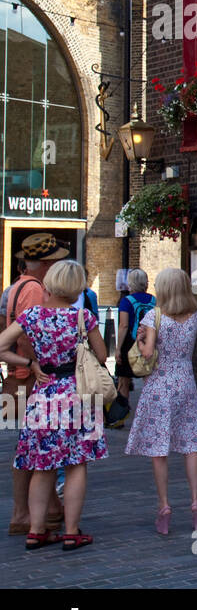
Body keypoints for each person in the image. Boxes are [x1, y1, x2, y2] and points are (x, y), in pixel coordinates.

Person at [0, 259, 109, 550]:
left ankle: (36, 531)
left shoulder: (33, 316)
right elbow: (101, 354)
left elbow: (1, 346)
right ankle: (72, 531)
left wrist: (30, 362)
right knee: (76, 464)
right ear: (77, 287)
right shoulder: (83, 317)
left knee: (41, 464)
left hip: (44, 393)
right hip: (77, 395)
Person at [124, 267, 197, 535]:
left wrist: (141, 339)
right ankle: (195, 502)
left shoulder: (153, 316)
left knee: (159, 449)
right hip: (186, 382)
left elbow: (147, 354)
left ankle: (164, 506)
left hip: (160, 385)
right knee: (190, 445)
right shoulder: (195, 316)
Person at [3, 233, 69, 535]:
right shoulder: (34, 290)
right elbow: (28, 336)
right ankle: (30, 513)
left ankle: (36, 511)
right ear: (44, 264)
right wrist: (34, 365)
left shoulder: (16, 285)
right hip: (31, 381)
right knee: (38, 445)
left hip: (17, 381)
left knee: (27, 446)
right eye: (56, 261)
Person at [113, 269, 155, 423]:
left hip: (129, 343)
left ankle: (121, 418)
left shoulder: (127, 301)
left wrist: (118, 349)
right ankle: (148, 417)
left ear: (131, 283)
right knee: (148, 379)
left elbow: (123, 326)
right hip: (148, 342)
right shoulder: (153, 300)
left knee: (124, 381)